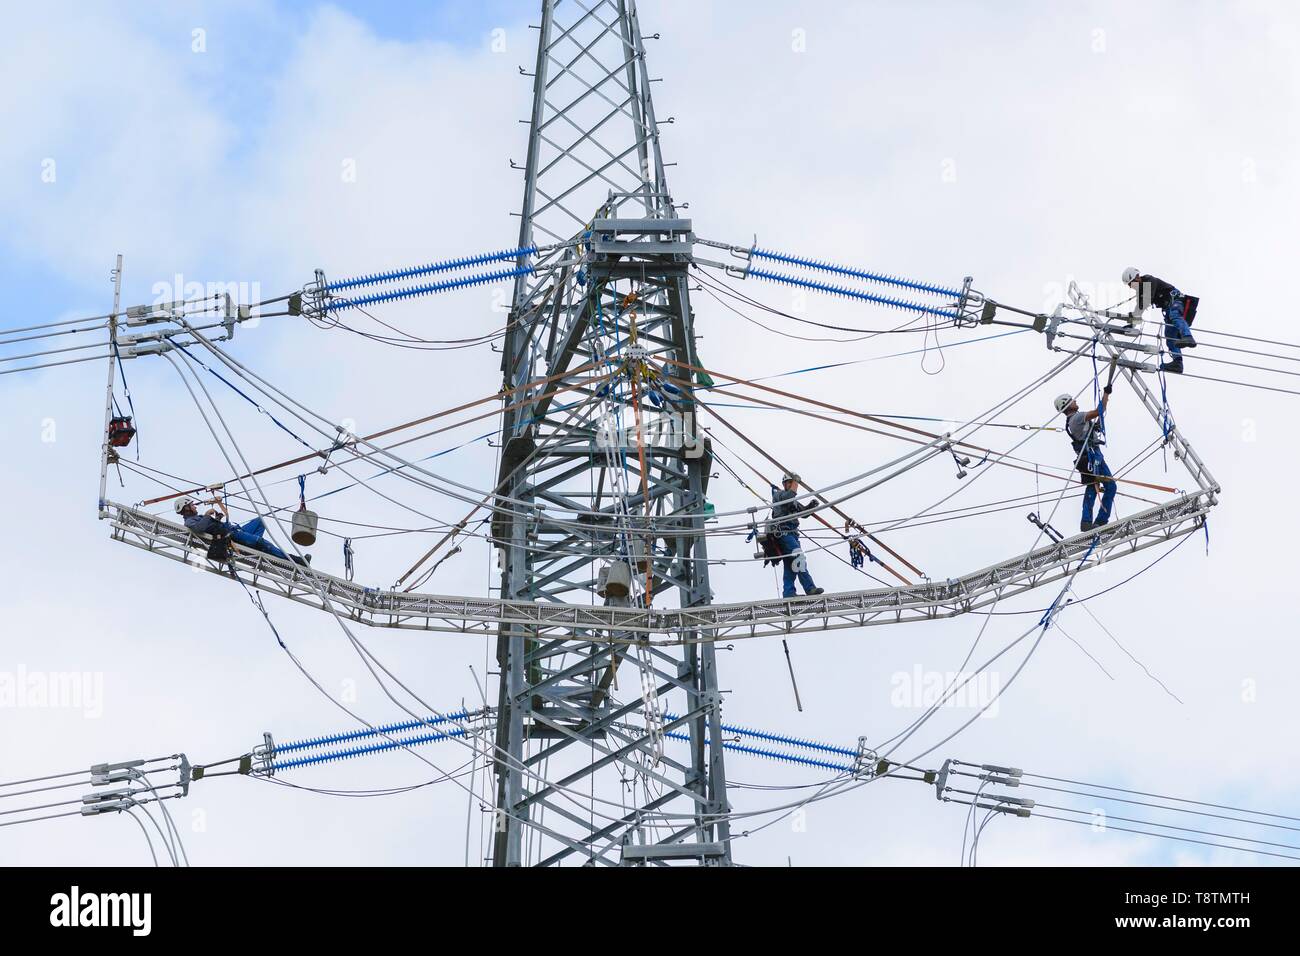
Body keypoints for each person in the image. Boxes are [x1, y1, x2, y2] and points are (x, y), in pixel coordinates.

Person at [1053, 386, 1116, 534]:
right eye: (1072, 400)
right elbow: (1098, 411)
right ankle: (1100, 521)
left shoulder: (1074, 421)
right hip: (1092, 455)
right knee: (1110, 486)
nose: (1075, 401)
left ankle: (1087, 522)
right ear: (1068, 405)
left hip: (1090, 455)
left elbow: (1097, 421)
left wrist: (1100, 417)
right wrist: (1106, 394)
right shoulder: (1076, 418)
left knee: (1093, 486)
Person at [175, 498, 309, 566]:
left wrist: (217, 519)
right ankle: (297, 560)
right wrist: (206, 515)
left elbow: (210, 528)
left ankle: (255, 545)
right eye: (192, 505)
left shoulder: (196, 518)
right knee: (262, 542)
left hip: (233, 530)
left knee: (259, 521)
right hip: (231, 535)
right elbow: (199, 529)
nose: (195, 506)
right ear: (186, 509)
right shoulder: (189, 522)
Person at [1122, 267, 1196, 375]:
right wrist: (1132, 324)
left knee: (1174, 315)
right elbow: (1139, 308)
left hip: (1176, 301)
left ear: (1137, 278)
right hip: (1168, 307)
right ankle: (1178, 363)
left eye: (1130, 283)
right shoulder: (1141, 290)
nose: (1130, 287)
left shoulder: (1149, 280)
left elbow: (1146, 301)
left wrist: (1135, 313)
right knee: (1170, 336)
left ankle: (1188, 337)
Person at [769, 472, 825, 598]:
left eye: (791, 482)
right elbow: (790, 494)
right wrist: (796, 481)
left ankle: (788, 592)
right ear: (784, 484)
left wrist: (811, 506)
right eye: (789, 483)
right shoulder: (779, 495)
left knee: (790, 564)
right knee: (799, 557)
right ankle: (809, 588)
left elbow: (803, 513)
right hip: (783, 533)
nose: (791, 485)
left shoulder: (792, 501)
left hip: (792, 534)